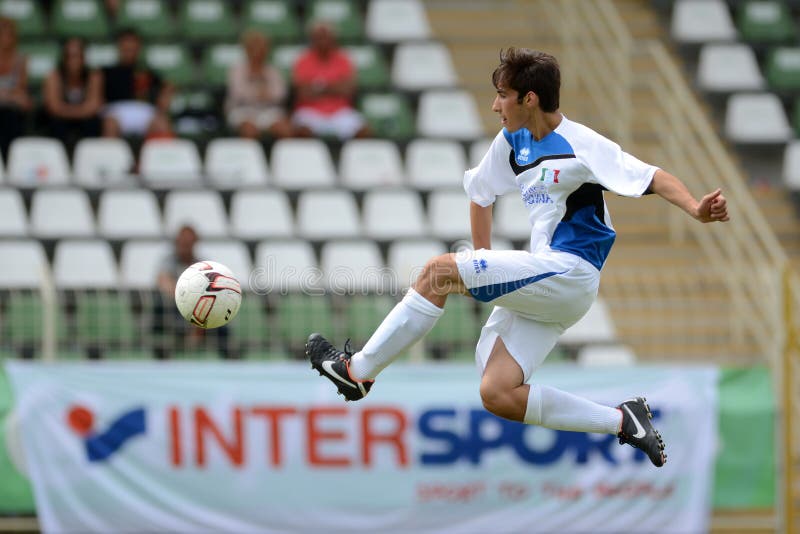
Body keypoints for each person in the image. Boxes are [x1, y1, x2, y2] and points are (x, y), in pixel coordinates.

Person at [305, 48, 730, 468]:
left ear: (529, 99)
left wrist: (695, 208)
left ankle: (357, 372)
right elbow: (480, 192)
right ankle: (623, 420)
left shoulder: (581, 144)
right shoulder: (513, 139)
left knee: (437, 273)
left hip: (571, 272)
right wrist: (482, 261)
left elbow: (652, 176)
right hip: (551, 283)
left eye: (503, 96)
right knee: (497, 393)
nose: (495, 106)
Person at [155, 225, 230, 359]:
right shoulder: (168, 262)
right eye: (183, 242)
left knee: (219, 315)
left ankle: (230, 358)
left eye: (188, 243)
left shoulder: (202, 264)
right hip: (175, 309)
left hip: (200, 309)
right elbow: (165, 284)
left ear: (195, 243)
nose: (185, 246)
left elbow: (211, 289)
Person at [291, 21, 369, 139]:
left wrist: (317, 86)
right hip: (310, 112)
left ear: (333, 38)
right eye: (319, 37)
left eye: (326, 36)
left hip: (339, 112)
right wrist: (334, 86)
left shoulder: (343, 60)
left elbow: (348, 90)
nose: (323, 40)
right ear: (312, 39)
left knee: (364, 131)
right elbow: (303, 92)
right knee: (301, 131)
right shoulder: (303, 60)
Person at [102, 28, 173, 138]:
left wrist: (166, 93)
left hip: (144, 112)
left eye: (132, 48)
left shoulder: (149, 74)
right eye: (126, 48)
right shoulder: (106, 73)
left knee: (162, 123)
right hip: (116, 112)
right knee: (110, 123)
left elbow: (163, 96)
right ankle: (109, 150)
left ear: (138, 48)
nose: (129, 51)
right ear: (119, 47)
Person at [226, 29, 294, 139]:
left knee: (285, 129)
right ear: (247, 49)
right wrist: (260, 93)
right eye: (254, 47)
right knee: (249, 130)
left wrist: (259, 94)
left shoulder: (273, 70)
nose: (258, 51)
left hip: (269, 110)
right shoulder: (237, 70)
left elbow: (280, 94)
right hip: (243, 111)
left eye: (262, 47)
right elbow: (239, 94)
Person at [43, 37, 103, 151]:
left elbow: (94, 106)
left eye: (77, 56)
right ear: (64, 58)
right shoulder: (54, 76)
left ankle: (90, 155)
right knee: (56, 123)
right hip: (61, 120)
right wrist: (81, 111)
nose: (74, 61)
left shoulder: (93, 76)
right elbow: (53, 107)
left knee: (93, 123)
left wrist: (66, 110)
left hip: (83, 119)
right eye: (70, 56)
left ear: (83, 58)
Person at [0, 17, 32, 159]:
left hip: (11, 109)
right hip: (9, 101)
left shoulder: (21, 60)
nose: (5, 38)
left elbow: (21, 91)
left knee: (11, 115)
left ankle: (11, 158)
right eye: (2, 34)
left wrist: (6, 95)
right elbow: (15, 94)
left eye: (9, 34)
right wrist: (10, 95)